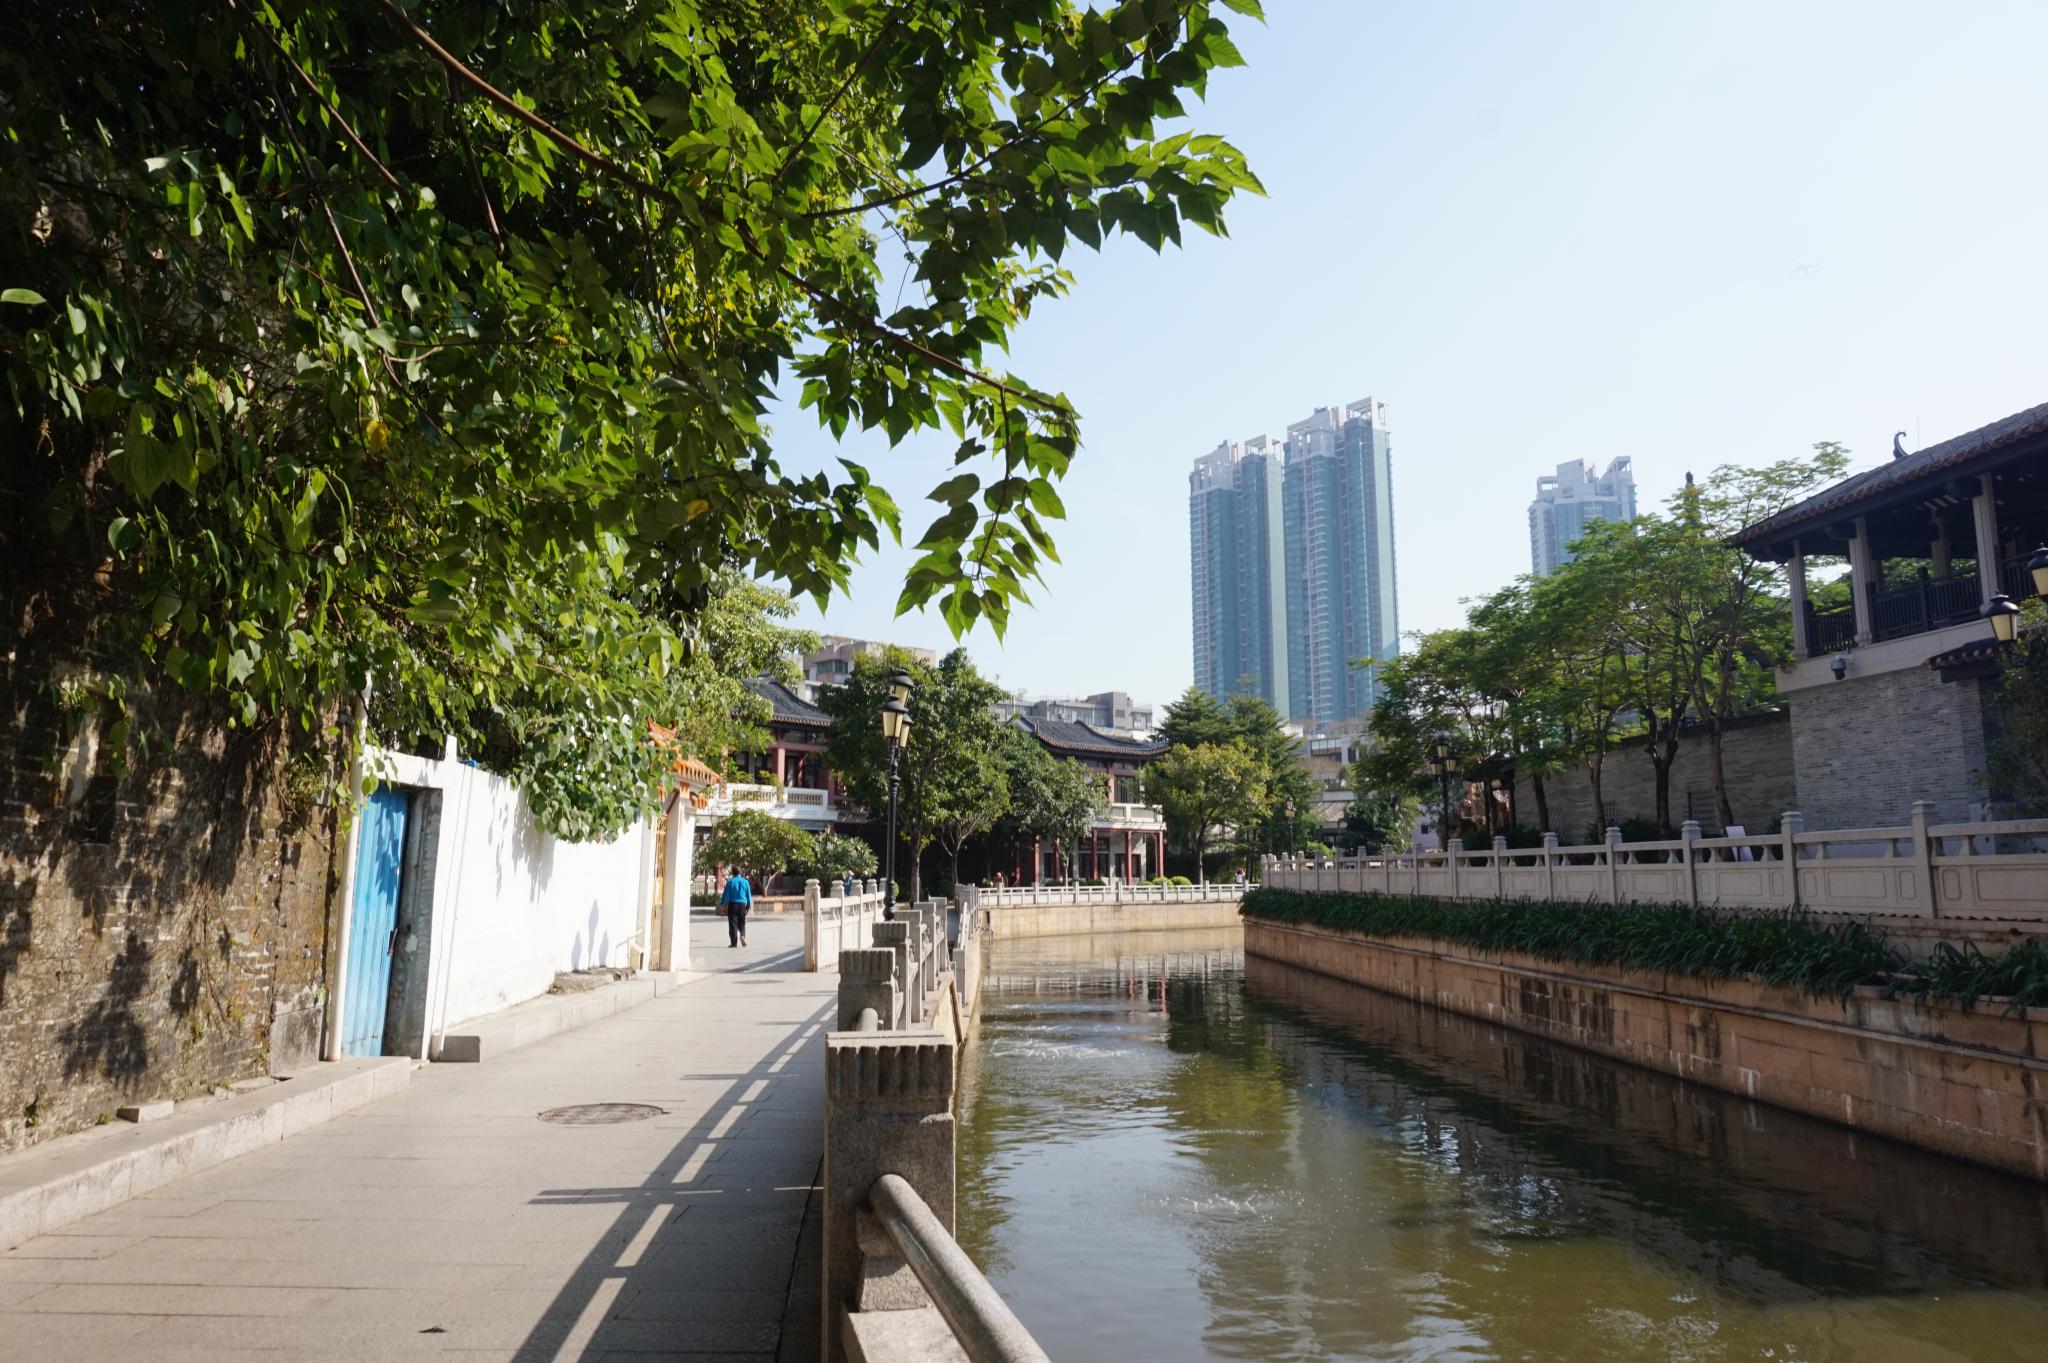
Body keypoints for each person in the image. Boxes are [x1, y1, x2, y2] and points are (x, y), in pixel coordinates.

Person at [720, 867, 753, 948]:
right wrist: (748, 907)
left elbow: (726, 895)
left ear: (732, 873)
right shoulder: (745, 882)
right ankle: (742, 935)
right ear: (740, 873)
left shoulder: (730, 882)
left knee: (733, 924)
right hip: (742, 905)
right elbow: (748, 895)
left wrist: (723, 907)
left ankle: (734, 943)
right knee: (742, 922)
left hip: (733, 904)